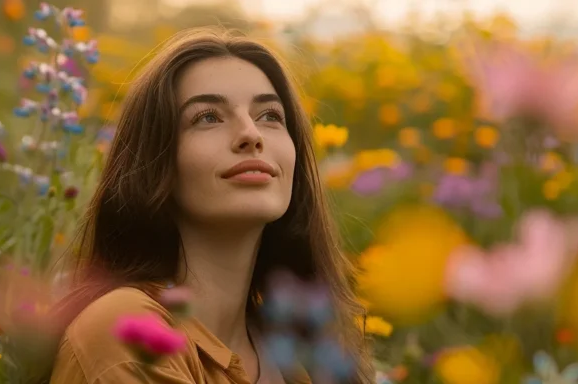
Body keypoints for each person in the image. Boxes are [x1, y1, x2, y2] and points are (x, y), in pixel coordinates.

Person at [44, 27, 372, 384]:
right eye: (208, 117)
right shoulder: (130, 329)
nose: (251, 134)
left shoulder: (300, 354)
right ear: (157, 163)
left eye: (270, 116)